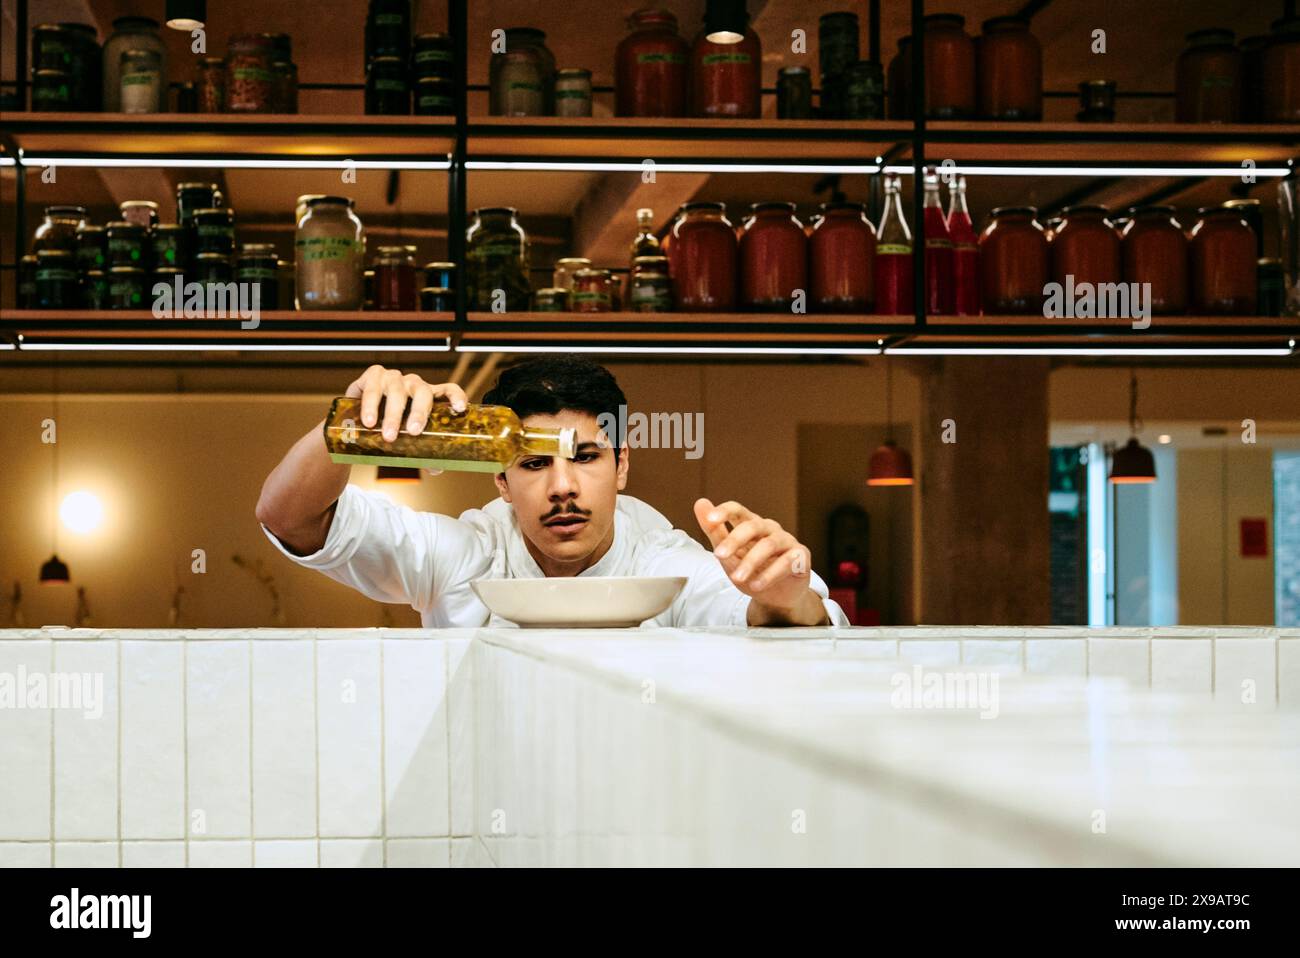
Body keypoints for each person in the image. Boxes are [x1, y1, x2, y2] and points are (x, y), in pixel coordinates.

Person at [256, 357, 847, 628]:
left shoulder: (662, 562)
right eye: (535, 462)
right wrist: (350, 423)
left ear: (620, 467)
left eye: (586, 457)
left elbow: (749, 609)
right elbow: (289, 517)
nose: (563, 487)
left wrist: (784, 597)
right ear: (501, 480)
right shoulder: (466, 554)